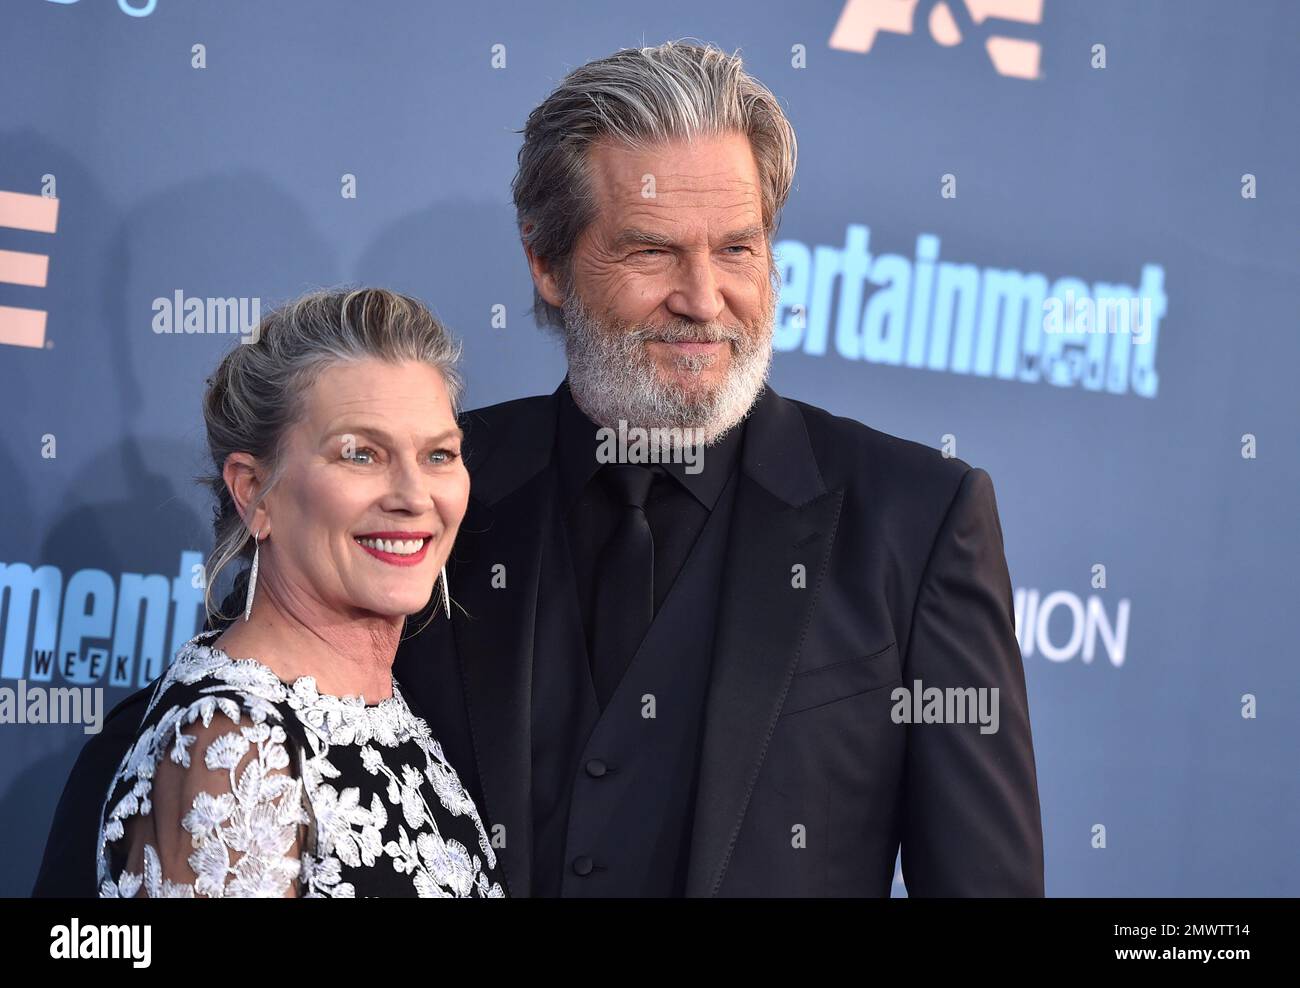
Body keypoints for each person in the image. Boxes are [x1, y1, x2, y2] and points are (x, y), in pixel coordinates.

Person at [389, 40, 1045, 897]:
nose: (704, 300)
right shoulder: (434, 491)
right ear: (547, 264)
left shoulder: (917, 520)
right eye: (652, 252)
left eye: (737, 249)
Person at [92, 287, 504, 897]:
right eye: (361, 454)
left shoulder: (389, 709)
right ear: (254, 491)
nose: (415, 496)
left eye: (439, 454)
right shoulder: (233, 746)